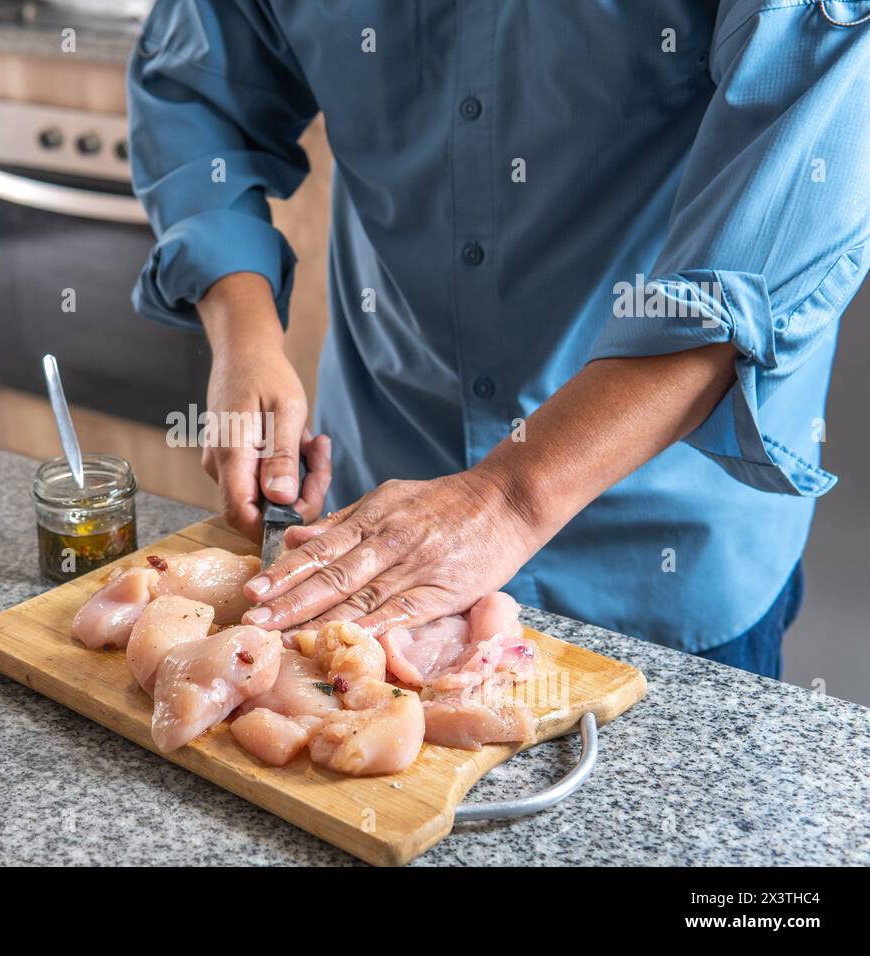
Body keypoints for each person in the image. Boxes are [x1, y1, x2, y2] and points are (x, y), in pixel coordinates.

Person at [127, 0, 870, 677]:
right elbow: (197, 92)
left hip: (657, 540)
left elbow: (766, 253)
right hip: (382, 494)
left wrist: (510, 495)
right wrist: (243, 331)